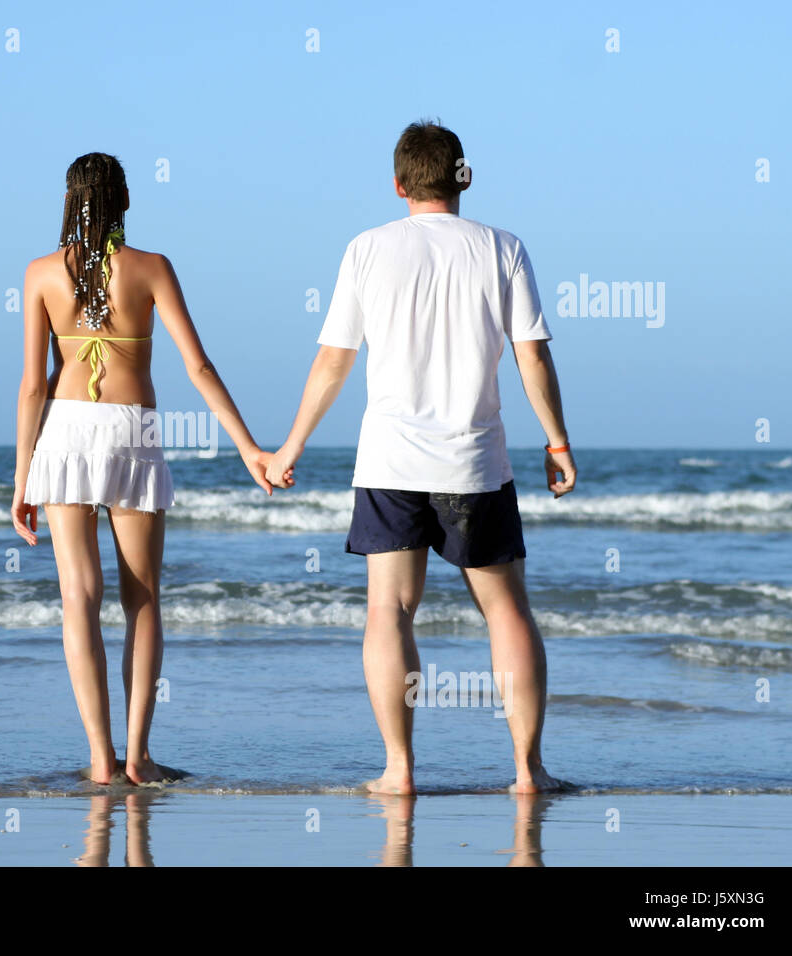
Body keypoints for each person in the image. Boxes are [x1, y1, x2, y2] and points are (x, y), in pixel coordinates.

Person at [265, 121, 577, 794]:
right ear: (463, 178)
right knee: (506, 611)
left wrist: (290, 446)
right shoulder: (503, 248)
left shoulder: (367, 249)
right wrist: (557, 440)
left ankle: (398, 771)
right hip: (475, 461)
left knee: (389, 611)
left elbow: (333, 361)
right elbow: (532, 356)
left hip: (390, 464)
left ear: (399, 184)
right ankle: (527, 772)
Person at [12, 152, 273, 786]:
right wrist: (247, 447)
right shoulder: (152, 268)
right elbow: (199, 367)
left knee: (79, 597)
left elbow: (32, 387)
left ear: (69, 201)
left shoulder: (42, 273)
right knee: (143, 599)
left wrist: (21, 480)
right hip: (132, 431)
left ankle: (100, 760)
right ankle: (138, 758)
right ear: (125, 201)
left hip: (67, 434)